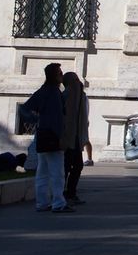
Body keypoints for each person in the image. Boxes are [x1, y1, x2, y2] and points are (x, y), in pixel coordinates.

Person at [20, 63, 71, 212]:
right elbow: (58, 119)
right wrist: (61, 137)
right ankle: (58, 203)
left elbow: (24, 109)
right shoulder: (54, 93)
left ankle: (42, 202)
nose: (62, 76)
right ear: (55, 76)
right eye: (60, 73)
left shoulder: (43, 91)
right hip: (53, 135)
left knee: (42, 171)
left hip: (42, 134)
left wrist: (36, 120)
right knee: (57, 172)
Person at [61, 71, 90, 206]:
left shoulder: (82, 97)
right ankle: (62, 193)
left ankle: (71, 192)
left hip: (77, 138)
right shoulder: (65, 96)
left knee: (77, 166)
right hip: (68, 137)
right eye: (75, 80)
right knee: (65, 167)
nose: (79, 82)